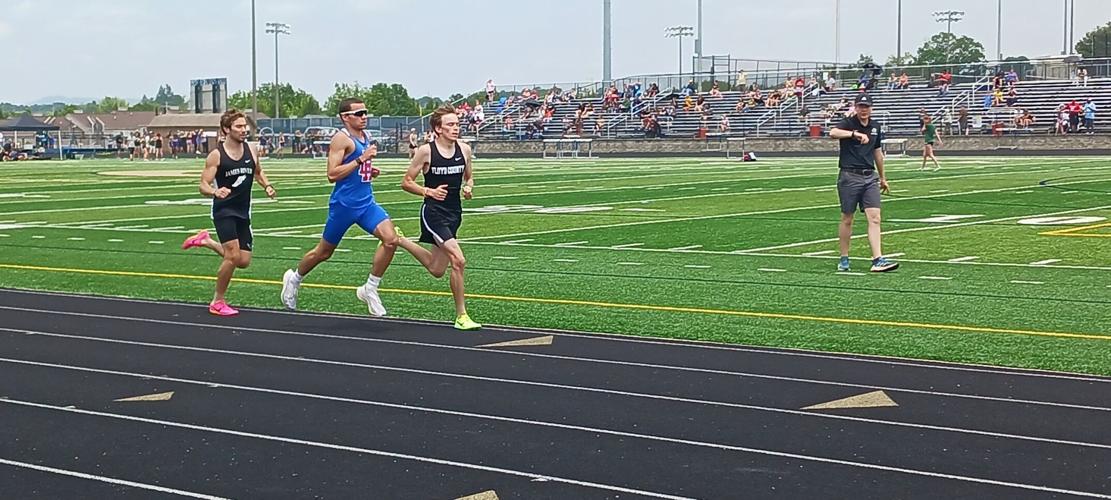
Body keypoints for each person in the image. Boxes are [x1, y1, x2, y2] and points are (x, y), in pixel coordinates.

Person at [280, 97, 403, 317]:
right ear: (345, 118)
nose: (364, 117)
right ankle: (295, 277)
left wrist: (368, 170)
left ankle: (370, 288)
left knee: (391, 239)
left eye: (365, 113)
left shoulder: (366, 136)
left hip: (366, 202)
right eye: (359, 114)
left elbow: (357, 168)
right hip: (344, 206)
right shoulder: (341, 139)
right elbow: (331, 174)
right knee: (324, 252)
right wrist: (360, 160)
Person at [181, 109, 276, 316]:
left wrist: (267, 186)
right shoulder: (216, 155)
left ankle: (206, 241)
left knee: (243, 261)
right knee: (232, 256)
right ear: (226, 129)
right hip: (224, 211)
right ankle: (217, 301)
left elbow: (258, 171)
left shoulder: (251, 150)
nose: (244, 130)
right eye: (239, 127)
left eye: (245, 126)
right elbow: (202, 185)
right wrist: (215, 191)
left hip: (244, 211)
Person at [397, 105, 482, 331]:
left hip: (455, 213)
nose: (455, 128)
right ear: (438, 128)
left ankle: (400, 241)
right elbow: (406, 182)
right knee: (459, 260)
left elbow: (470, 177)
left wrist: (468, 187)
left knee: (436, 269)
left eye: (457, 124)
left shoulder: (464, 150)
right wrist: (428, 192)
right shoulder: (426, 151)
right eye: (450, 125)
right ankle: (462, 315)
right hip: (433, 212)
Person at [828, 94, 899, 273]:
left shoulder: (875, 126)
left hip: (870, 177)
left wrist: (883, 177)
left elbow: (877, 153)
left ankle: (877, 259)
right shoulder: (848, 122)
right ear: (855, 107)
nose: (863, 110)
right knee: (847, 218)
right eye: (860, 106)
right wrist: (854, 134)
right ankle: (844, 258)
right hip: (849, 175)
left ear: (871, 108)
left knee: (875, 217)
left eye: (866, 106)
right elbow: (832, 133)